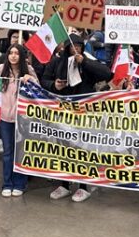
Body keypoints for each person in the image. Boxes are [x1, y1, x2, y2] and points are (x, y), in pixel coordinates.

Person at [48, 34, 112, 202]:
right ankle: (65, 184)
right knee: (64, 149)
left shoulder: (87, 61)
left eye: (78, 45)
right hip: (63, 111)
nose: (74, 48)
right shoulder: (57, 61)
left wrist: (84, 62)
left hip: (84, 112)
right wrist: (53, 84)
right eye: (71, 46)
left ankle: (83, 186)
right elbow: (44, 79)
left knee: (83, 149)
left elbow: (107, 74)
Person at [0, 44, 37, 197]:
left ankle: (20, 183)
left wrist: (30, 80)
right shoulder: (1, 69)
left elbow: (38, 91)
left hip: (22, 118)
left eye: (16, 53)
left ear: (22, 56)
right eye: (10, 52)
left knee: (21, 152)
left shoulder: (29, 70)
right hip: (4, 118)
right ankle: (7, 183)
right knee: (7, 152)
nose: (13, 56)